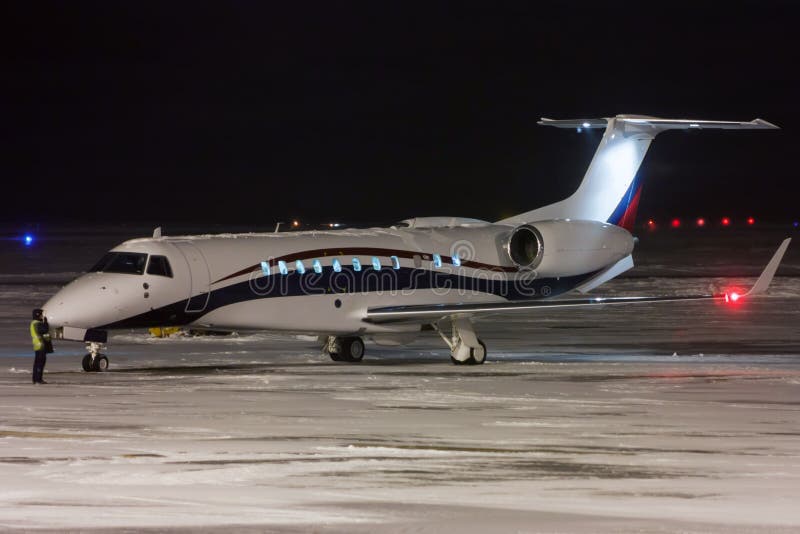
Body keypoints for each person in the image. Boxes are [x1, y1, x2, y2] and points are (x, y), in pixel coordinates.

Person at [30, 308, 52, 384]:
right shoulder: (37, 324)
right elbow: (44, 330)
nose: (42, 316)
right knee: (40, 364)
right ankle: (38, 379)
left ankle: (35, 379)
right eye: (41, 315)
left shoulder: (34, 323)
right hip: (40, 346)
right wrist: (45, 323)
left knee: (37, 364)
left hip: (38, 346)